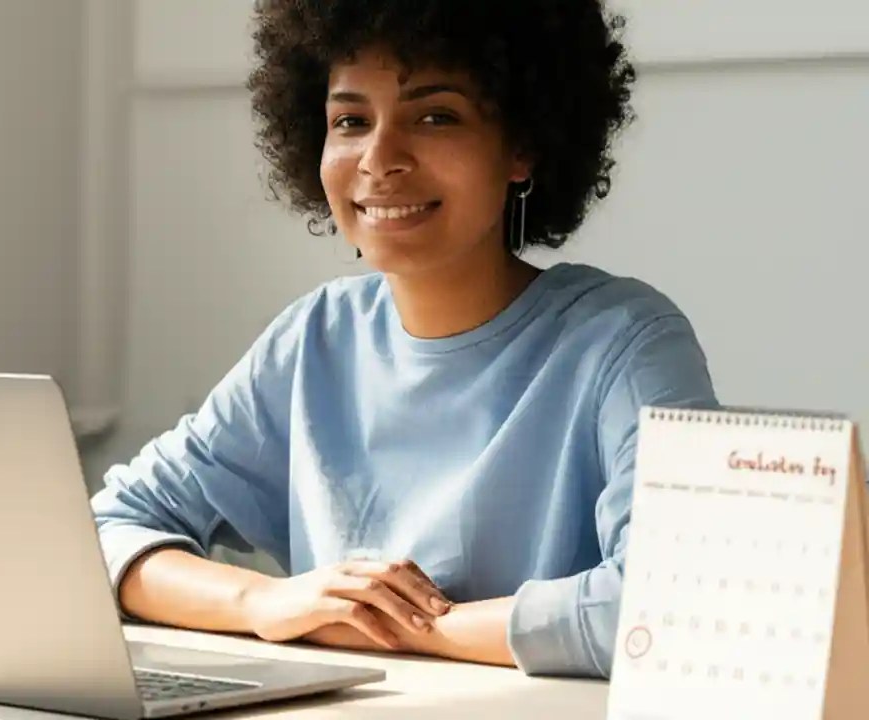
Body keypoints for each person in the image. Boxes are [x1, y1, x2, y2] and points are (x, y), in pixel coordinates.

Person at [90, 0, 716, 678]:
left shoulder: (625, 343)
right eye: (351, 121)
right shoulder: (312, 341)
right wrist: (265, 601)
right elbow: (105, 530)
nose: (380, 158)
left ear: (522, 144)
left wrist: (411, 629)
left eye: (435, 116)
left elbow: (678, 600)